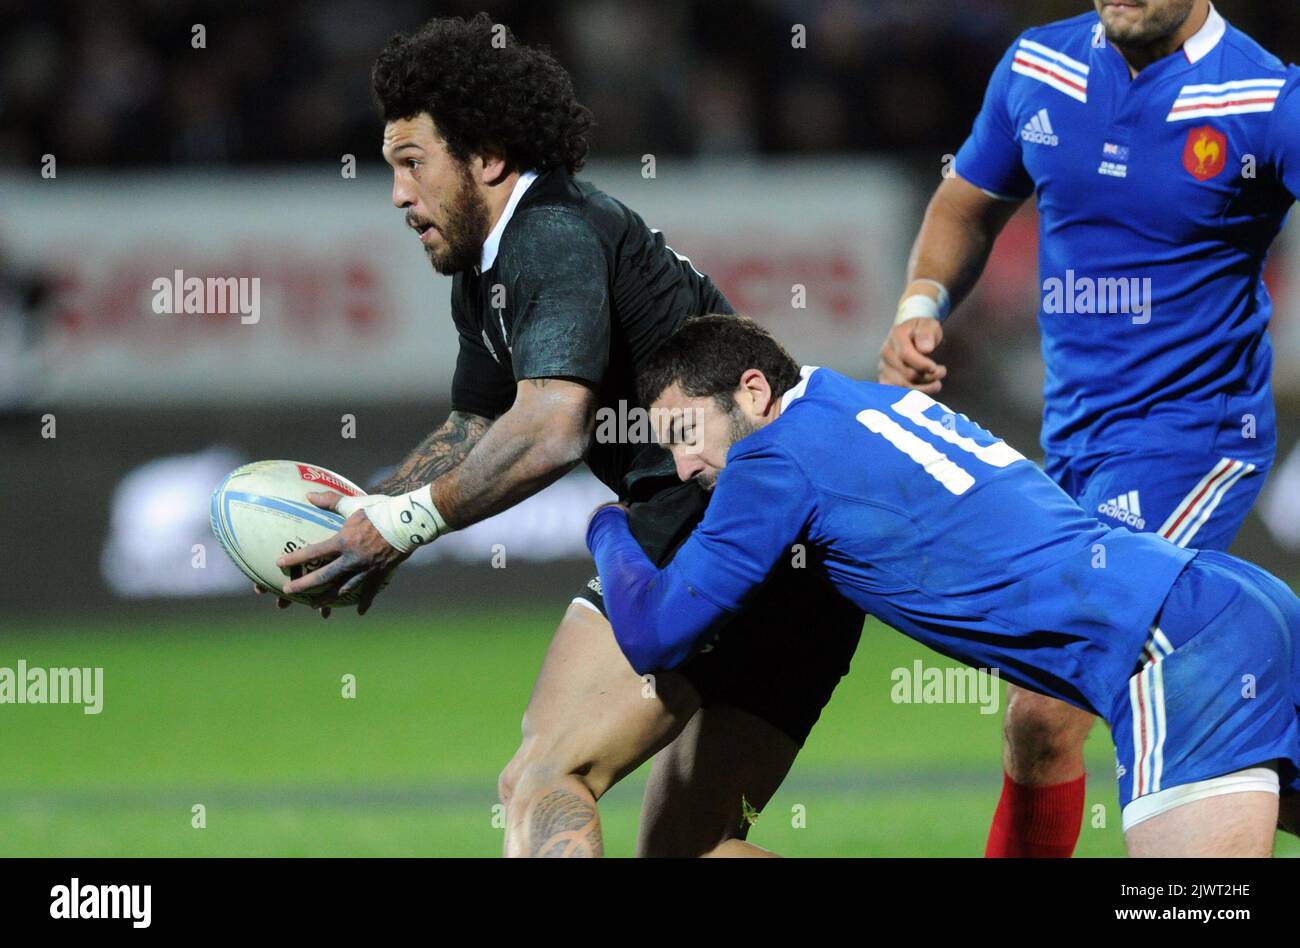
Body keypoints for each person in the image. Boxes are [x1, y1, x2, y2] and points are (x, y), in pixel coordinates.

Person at [266, 14, 863, 857]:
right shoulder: (490, 274)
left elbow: (550, 428)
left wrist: (401, 525)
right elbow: (474, 428)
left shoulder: (548, 233)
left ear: (488, 158)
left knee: (545, 778)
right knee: (684, 847)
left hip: (712, 517)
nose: (398, 195)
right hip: (804, 558)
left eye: (411, 164)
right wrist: (358, 528)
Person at [591, 313, 1300, 856]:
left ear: (753, 390)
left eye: (687, 432)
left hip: (1172, 651)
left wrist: (606, 527)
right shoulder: (856, 402)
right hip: (1243, 605)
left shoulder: (772, 459)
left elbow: (656, 631)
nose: (683, 466)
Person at [879, 0, 1300, 856]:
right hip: (1072, 445)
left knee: (1049, 703)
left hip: (1196, 439)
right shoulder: (1040, 68)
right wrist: (921, 304)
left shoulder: (1263, 98)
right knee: (1038, 728)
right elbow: (966, 201)